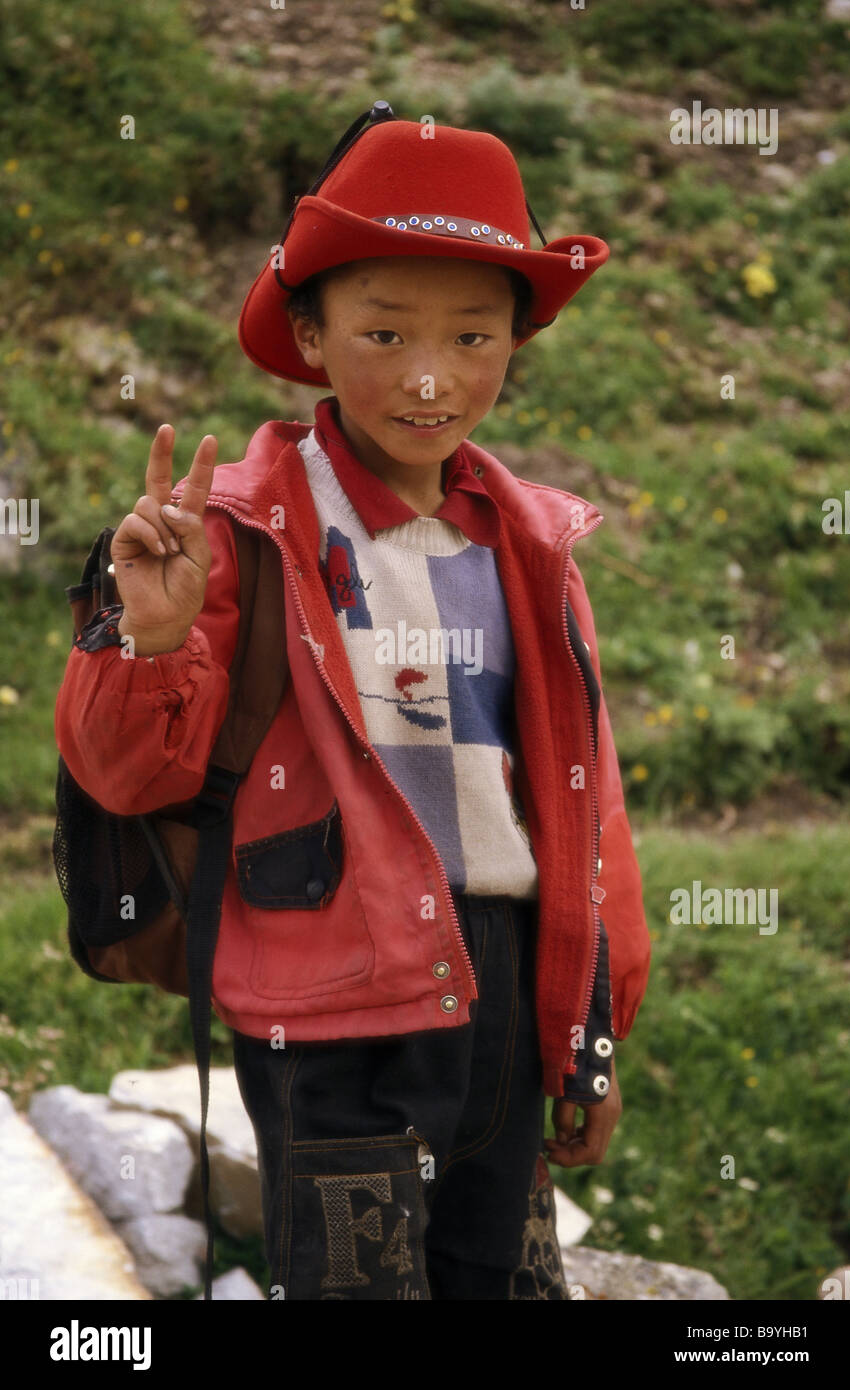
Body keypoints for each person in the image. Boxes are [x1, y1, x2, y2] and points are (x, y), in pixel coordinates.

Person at [54, 107, 650, 1300]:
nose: (431, 376)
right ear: (312, 337)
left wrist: (588, 1031)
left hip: (503, 989)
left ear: (513, 346)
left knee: (506, 1284)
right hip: (324, 1002)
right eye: (384, 331)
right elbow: (130, 774)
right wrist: (150, 638)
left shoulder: (531, 544)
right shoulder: (240, 532)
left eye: (472, 337)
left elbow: (584, 806)